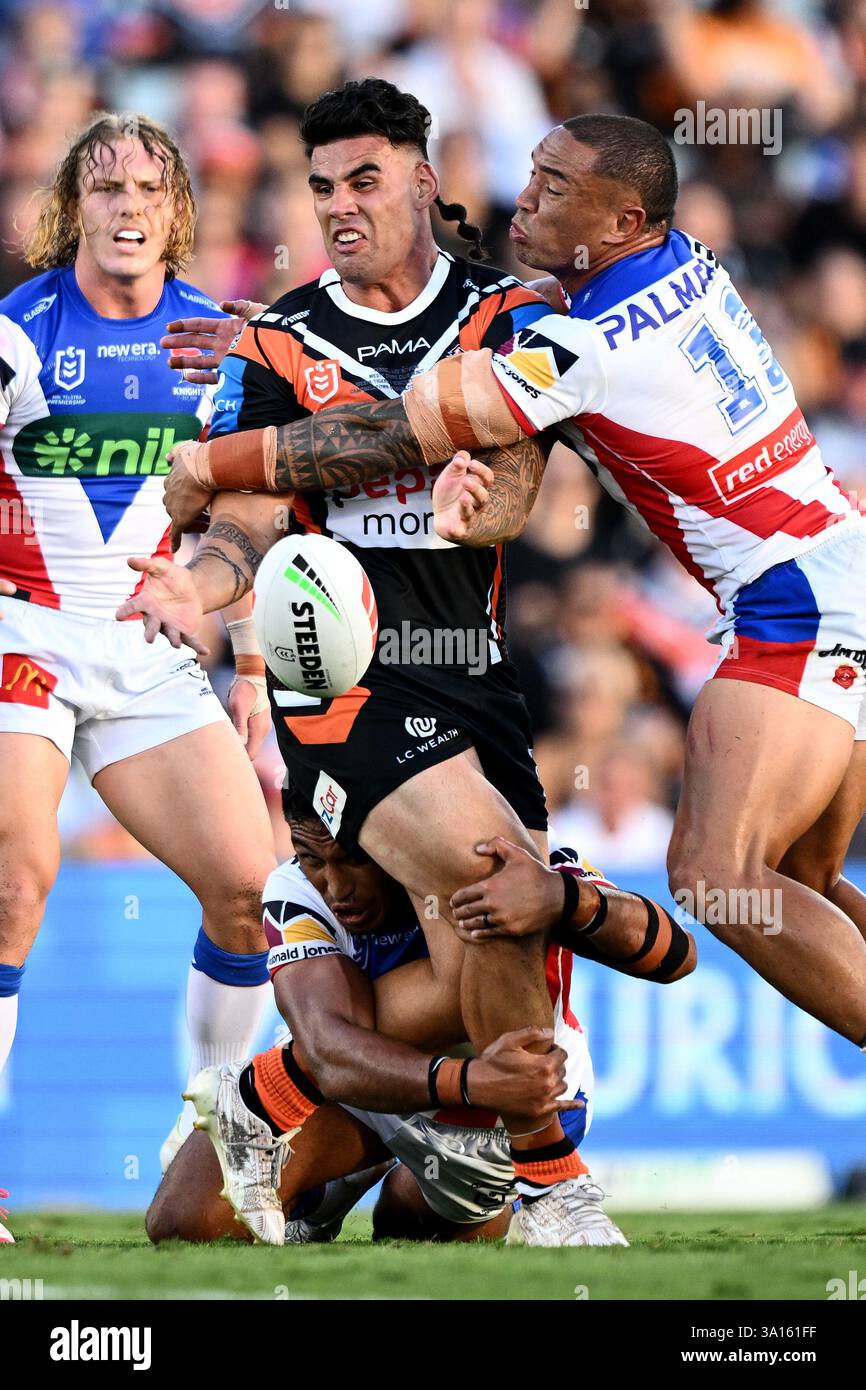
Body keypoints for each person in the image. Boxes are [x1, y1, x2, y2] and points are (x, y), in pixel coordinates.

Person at [162, 112, 866, 1047]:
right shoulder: (676, 257)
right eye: (533, 169)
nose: (526, 193)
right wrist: (288, 334)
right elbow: (510, 320)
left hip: (790, 598)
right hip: (832, 562)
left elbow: (399, 431)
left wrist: (218, 462)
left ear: (622, 221)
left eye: (558, 186)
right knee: (800, 885)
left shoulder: (587, 345)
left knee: (720, 877)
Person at [118, 78, 604, 1245]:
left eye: (364, 180)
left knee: (486, 919)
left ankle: (342, 1117)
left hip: (472, 681)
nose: (339, 205)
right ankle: (551, 1175)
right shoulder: (279, 339)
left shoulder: (505, 315)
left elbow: (517, 490)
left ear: (424, 179)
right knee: (493, 874)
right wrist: (205, 582)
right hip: (335, 682)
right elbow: (245, 515)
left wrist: (471, 501)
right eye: (322, 186)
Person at [0, 114, 280, 1221]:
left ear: (176, 213)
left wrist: (250, 674)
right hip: (23, 633)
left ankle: (207, 1114)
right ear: (76, 207)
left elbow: (240, 512)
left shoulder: (218, 339)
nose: (126, 209)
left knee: (247, 891)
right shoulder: (19, 333)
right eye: (106, 188)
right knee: (16, 883)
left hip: (150, 649)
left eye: (147, 191)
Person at [150, 782, 694, 1246]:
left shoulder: (508, 859)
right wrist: (472, 1079)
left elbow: (677, 956)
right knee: (187, 1223)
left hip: (511, 1110)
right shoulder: (296, 888)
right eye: (313, 858)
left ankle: (320, 1136)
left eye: (355, 858)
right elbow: (328, 1050)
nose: (336, 888)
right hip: (409, 1084)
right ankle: (326, 1178)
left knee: (404, 1226)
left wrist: (565, 898)